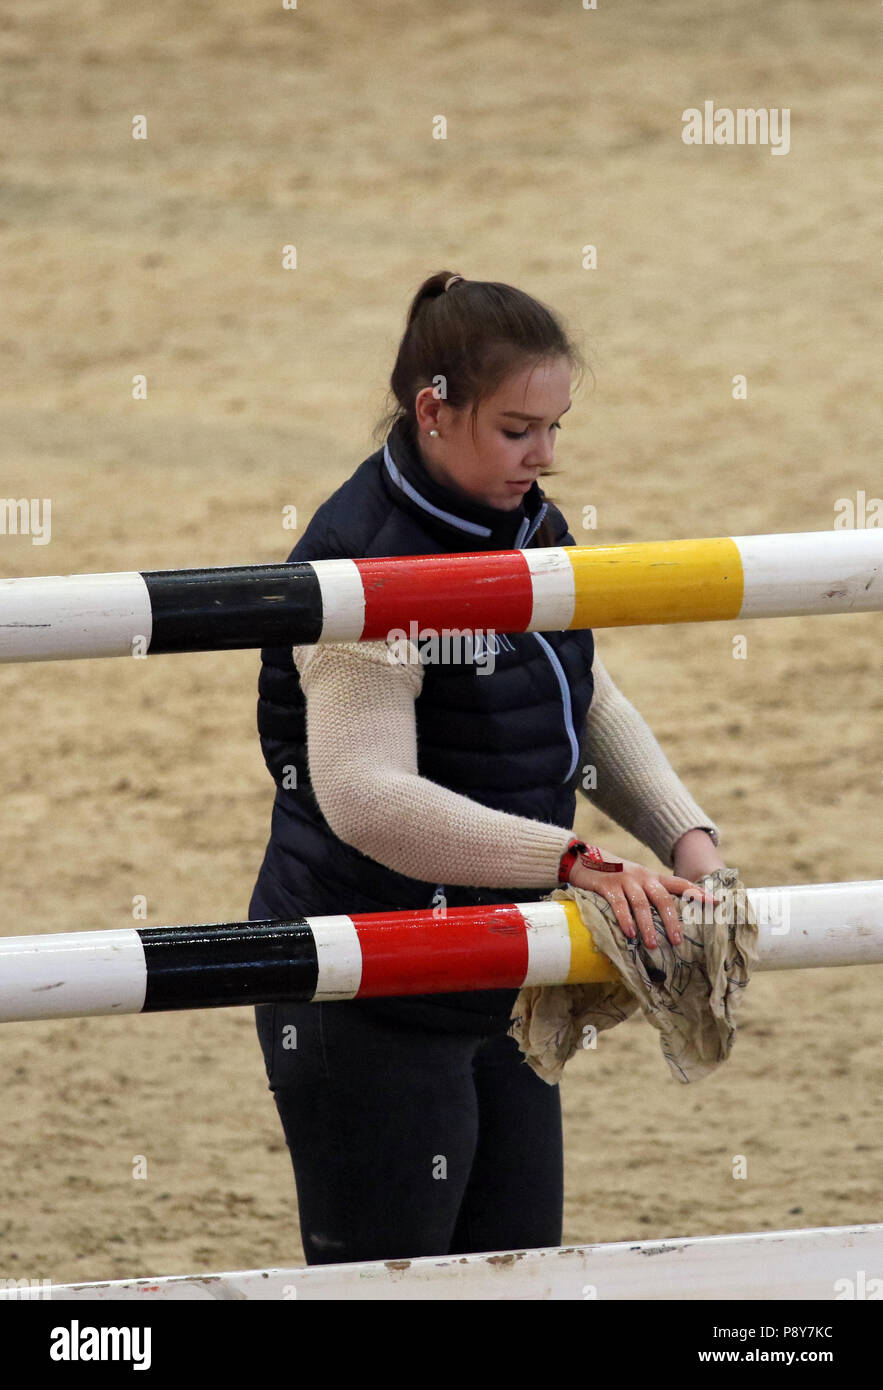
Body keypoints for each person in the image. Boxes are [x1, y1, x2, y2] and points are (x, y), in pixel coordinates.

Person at [250, 270, 725, 1266]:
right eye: (518, 430)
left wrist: (687, 838)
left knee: (518, 1273)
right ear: (435, 410)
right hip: (372, 986)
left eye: (554, 428)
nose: (544, 456)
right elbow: (364, 796)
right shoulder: (358, 562)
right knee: (396, 1289)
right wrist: (574, 861)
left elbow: (571, 688)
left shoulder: (525, 520)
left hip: (502, 963)